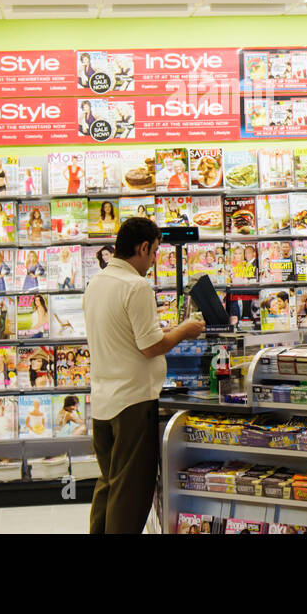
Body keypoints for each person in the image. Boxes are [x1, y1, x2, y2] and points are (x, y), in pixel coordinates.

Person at [82, 217, 204, 533]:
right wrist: (183, 330)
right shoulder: (135, 286)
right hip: (133, 403)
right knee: (131, 494)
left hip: (103, 402)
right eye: (154, 254)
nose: (153, 262)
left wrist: (164, 330)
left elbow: (124, 334)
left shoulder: (97, 283)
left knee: (109, 484)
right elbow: (151, 346)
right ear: (144, 247)